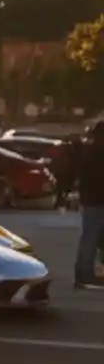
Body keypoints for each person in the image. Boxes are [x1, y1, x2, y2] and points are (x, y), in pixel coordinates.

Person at [74, 122, 104, 289]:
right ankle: (84, 273)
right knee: (92, 237)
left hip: (91, 199)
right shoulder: (99, 152)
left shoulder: (90, 151)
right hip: (98, 200)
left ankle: (84, 272)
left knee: (91, 236)